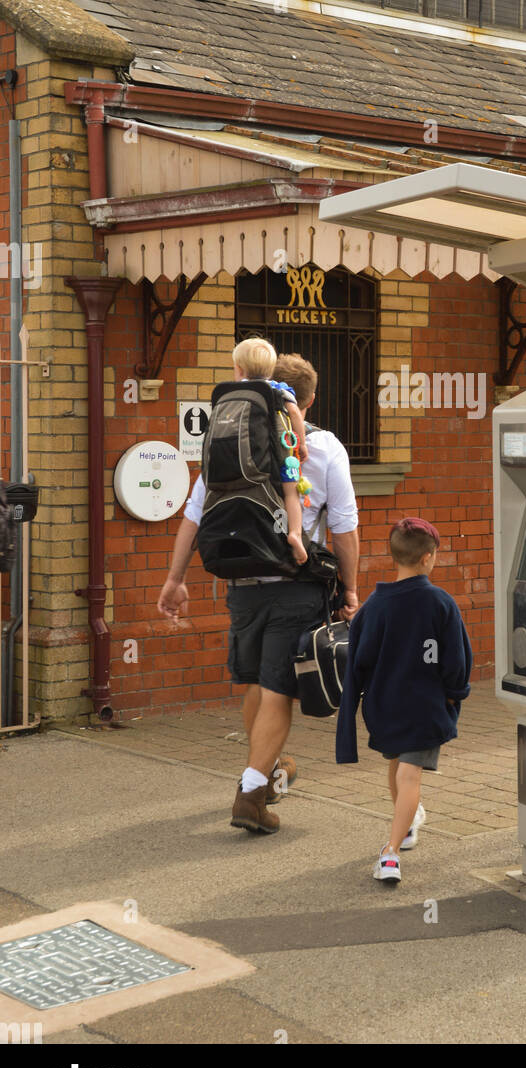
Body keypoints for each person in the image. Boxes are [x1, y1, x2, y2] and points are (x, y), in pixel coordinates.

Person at [158, 352, 360, 834]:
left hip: (241, 587)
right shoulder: (324, 448)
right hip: (294, 587)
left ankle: (267, 771)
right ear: (309, 398)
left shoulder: (231, 444)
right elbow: (344, 528)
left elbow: (193, 517)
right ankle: (250, 793)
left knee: (257, 683)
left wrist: (174, 580)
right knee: (278, 691)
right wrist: (351, 588)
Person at [335, 517, 472, 884]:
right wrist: (455, 695)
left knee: (398, 766)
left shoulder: (373, 607)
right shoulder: (441, 603)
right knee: (410, 774)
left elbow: (358, 663)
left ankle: (408, 823)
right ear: (428, 558)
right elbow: (456, 661)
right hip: (424, 709)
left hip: (383, 708)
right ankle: (391, 852)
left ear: (394, 556)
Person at [231, 337, 308, 568]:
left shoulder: (235, 392)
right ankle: (294, 532)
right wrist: (301, 443)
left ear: (239, 368)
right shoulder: (279, 389)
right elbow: (294, 414)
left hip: (248, 453)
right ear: (271, 369)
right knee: (291, 493)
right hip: (282, 446)